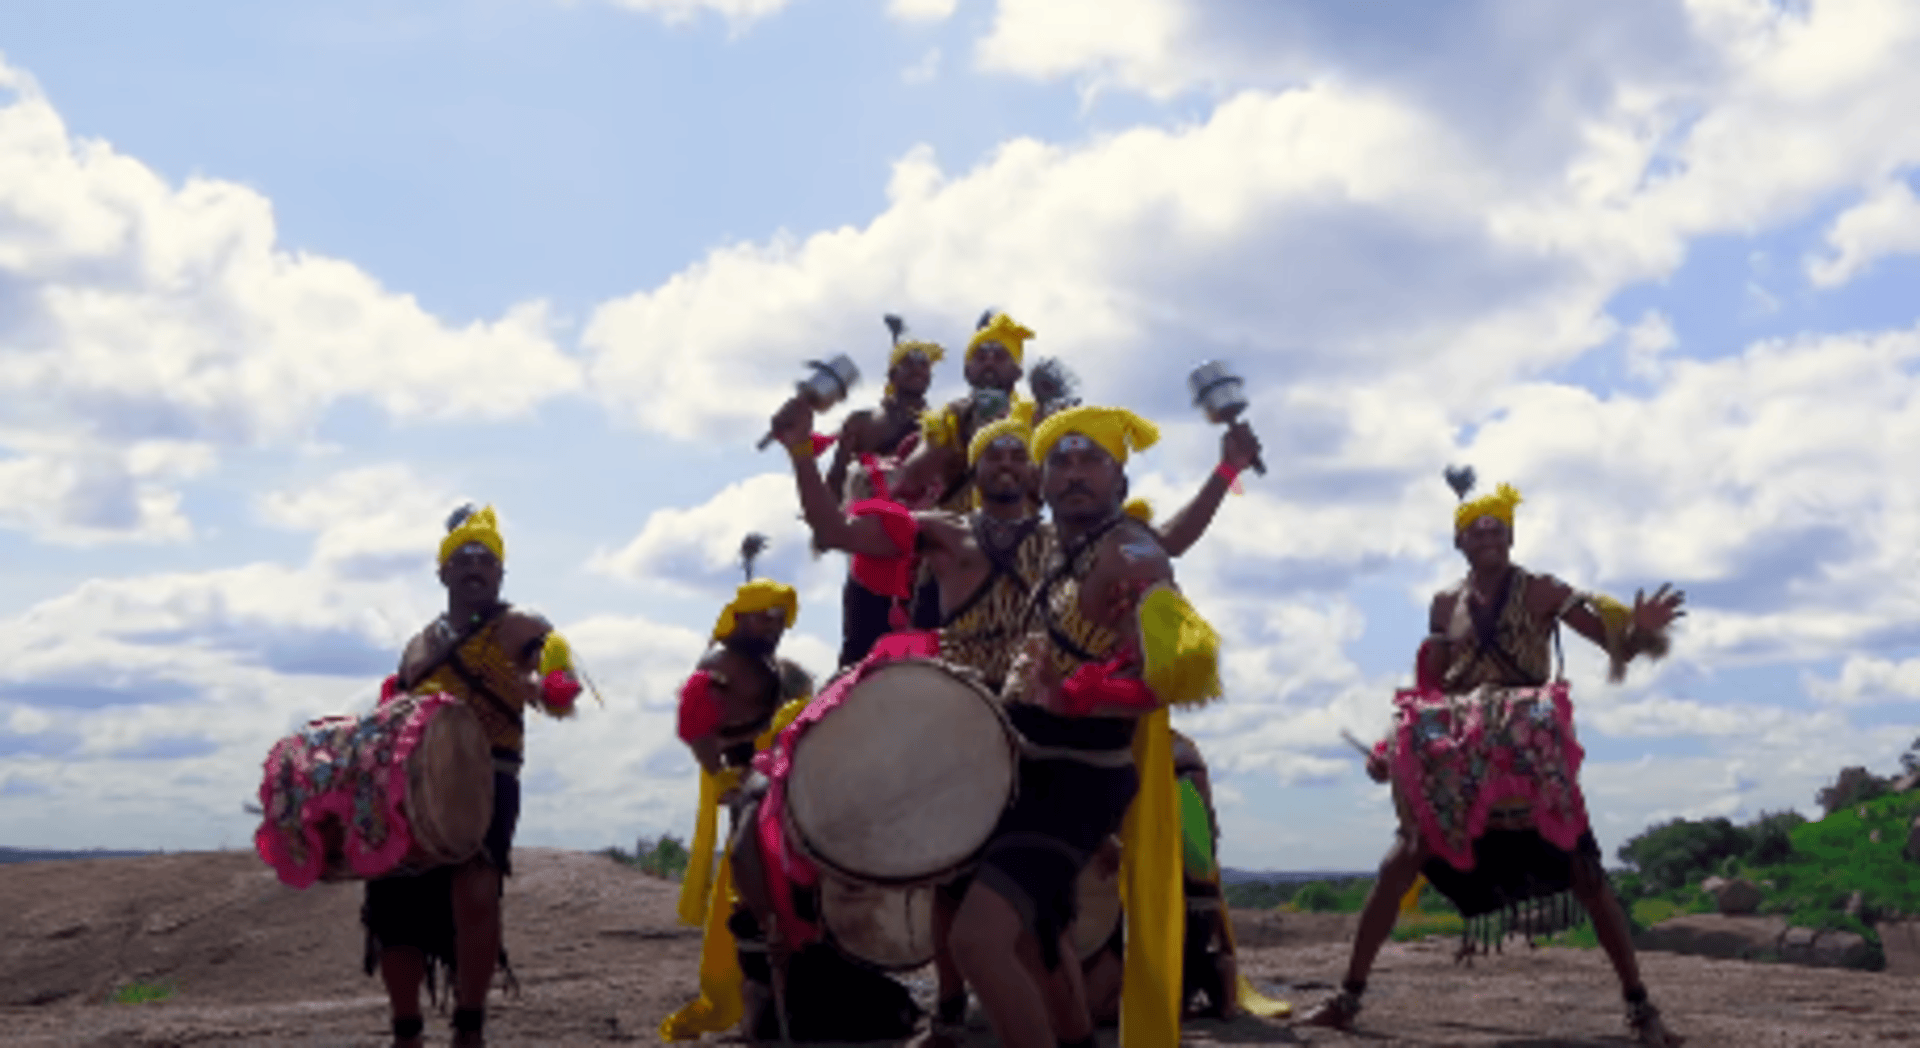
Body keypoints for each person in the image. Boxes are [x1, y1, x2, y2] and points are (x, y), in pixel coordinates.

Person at [1296, 471, 1687, 1047]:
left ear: (1511, 536)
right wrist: (1388, 751)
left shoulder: (1543, 590)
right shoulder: (1444, 604)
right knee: (1402, 859)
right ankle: (1347, 999)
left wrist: (1640, 631)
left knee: (1585, 872)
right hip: (1458, 752)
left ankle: (1641, 1009)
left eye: (1497, 528)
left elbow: (1616, 645)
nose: (1487, 536)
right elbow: (1427, 689)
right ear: (1459, 542)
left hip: (1528, 747)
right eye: (1476, 530)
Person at [949, 405, 1224, 1048]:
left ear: (1119, 479)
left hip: (1076, 780)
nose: (1075, 474)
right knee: (1038, 941)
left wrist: (1074, 696)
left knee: (977, 942)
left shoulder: (1130, 556)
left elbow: (1173, 677)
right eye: (1062, 462)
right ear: (1042, 481)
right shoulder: (1062, 548)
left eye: (1091, 461)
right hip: (1035, 768)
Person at [367, 504, 585, 1048]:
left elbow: (556, 679)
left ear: (501, 573)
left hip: (487, 777)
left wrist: (549, 688)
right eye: (462, 558)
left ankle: (470, 1026)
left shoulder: (523, 628)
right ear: (442, 572)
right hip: (415, 784)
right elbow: (392, 708)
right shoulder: (418, 645)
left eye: (485, 559)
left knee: (476, 890)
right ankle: (406, 1030)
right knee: (393, 902)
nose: (474, 567)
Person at [825, 316, 943, 668]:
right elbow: (836, 481)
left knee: (922, 640)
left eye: (924, 364)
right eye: (909, 362)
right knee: (860, 643)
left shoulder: (941, 426)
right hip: (871, 541)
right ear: (891, 374)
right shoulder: (863, 422)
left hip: (921, 544)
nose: (918, 369)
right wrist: (833, 522)